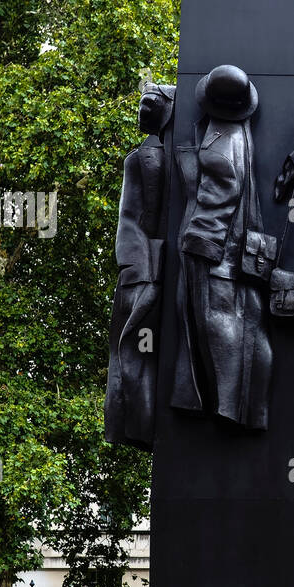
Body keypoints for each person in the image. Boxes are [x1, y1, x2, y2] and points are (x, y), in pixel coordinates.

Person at [170, 64, 273, 428]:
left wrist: (199, 243)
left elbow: (221, 196)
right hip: (219, 250)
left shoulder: (226, 141)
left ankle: (231, 407)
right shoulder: (234, 133)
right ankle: (235, 406)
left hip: (212, 251)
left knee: (220, 324)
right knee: (230, 325)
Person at [105, 82, 175, 449]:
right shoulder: (139, 158)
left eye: (154, 100)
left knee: (144, 355)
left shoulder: (185, 153)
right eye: (144, 100)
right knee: (133, 353)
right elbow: (128, 221)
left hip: (170, 270)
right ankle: (138, 425)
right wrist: (141, 272)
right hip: (143, 271)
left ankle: (144, 424)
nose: (145, 106)